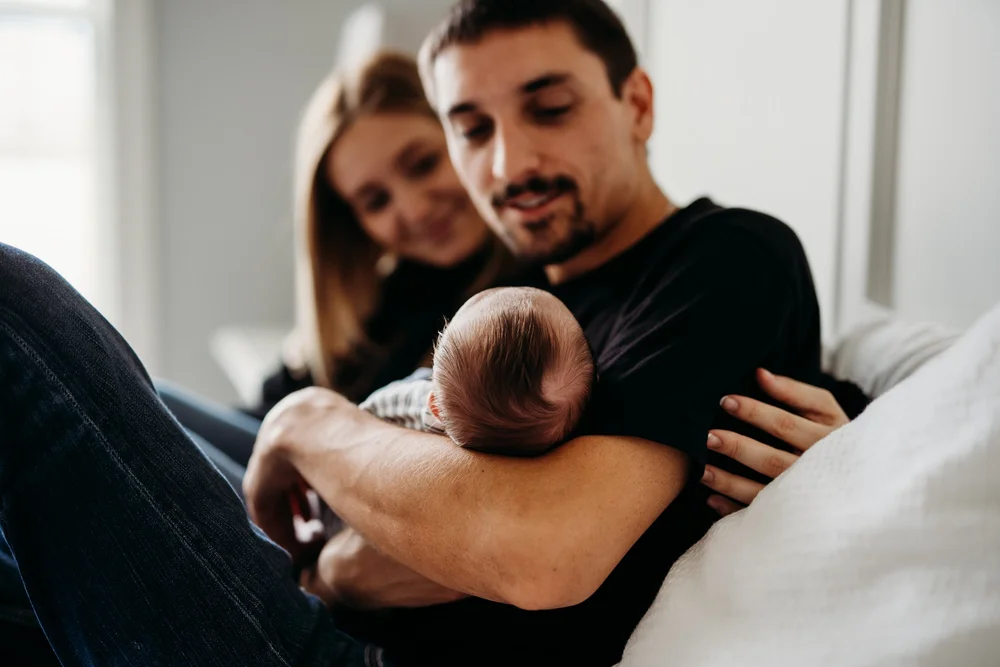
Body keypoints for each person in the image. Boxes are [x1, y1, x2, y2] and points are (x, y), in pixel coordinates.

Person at [0, 2, 863, 667]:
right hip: (332, 609)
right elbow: (427, 523)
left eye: (549, 107)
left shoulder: (724, 257)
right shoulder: (522, 292)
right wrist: (342, 560)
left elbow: (539, 551)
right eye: (471, 128)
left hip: (351, 654)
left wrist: (310, 422)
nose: (508, 165)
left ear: (636, 102)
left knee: (17, 308)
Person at [156, 50, 543, 469]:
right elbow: (263, 419)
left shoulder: (530, 298)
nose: (414, 210)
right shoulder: (382, 298)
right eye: (376, 201)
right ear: (354, 225)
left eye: (423, 164)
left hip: (339, 517)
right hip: (288, 481)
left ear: (464, 134)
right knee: (136, 394)